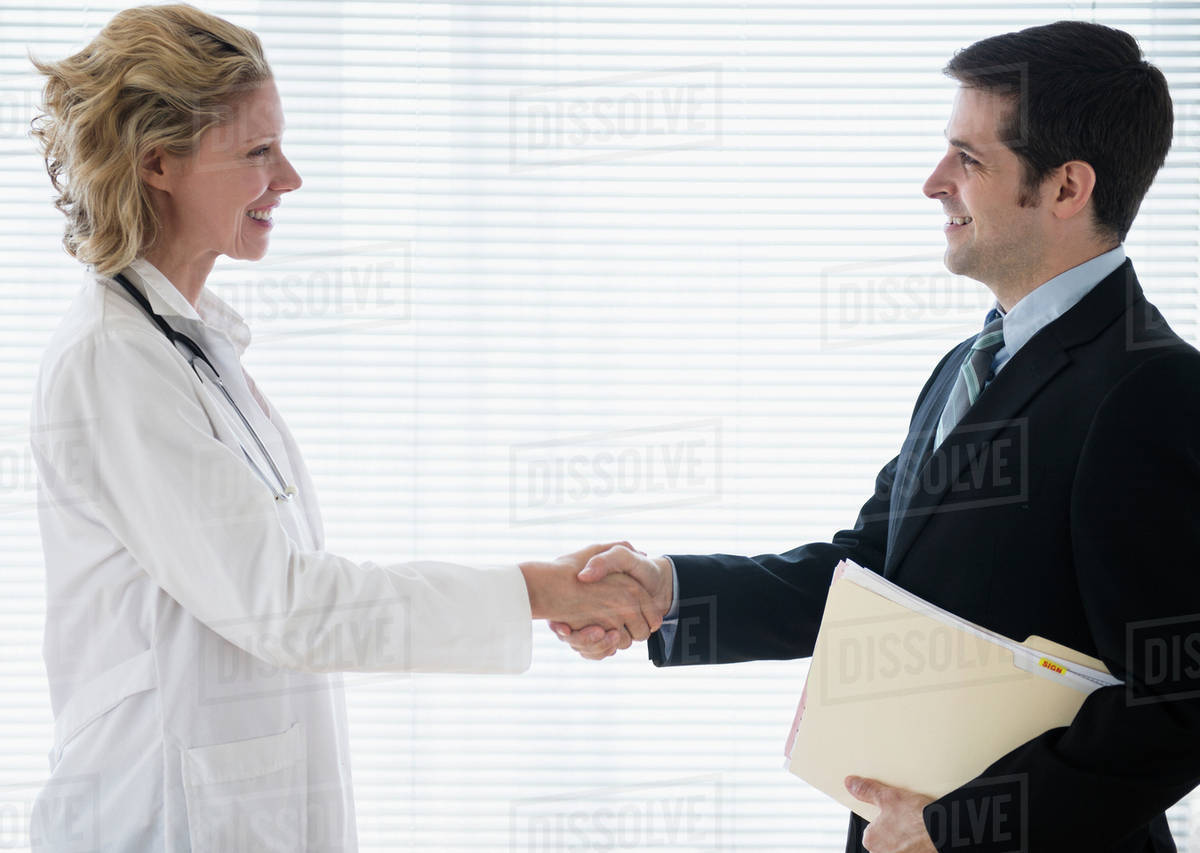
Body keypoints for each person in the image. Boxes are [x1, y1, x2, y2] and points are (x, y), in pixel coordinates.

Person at [553, 20, 1200, 853]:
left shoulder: (1151, 388)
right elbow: (869, 580)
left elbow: (1178, 700)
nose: (934, 183)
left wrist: (956, 826)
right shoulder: (968, 365)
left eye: (969, 159)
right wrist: (667, 592)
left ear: (1067, 187)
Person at [28, 6, 660, 850]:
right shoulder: (115, 363)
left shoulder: (186, 346)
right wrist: (536, 590)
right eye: (257, 152)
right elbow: (289, 606)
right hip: (152, 815)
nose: (288, 178)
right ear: (158, 163)